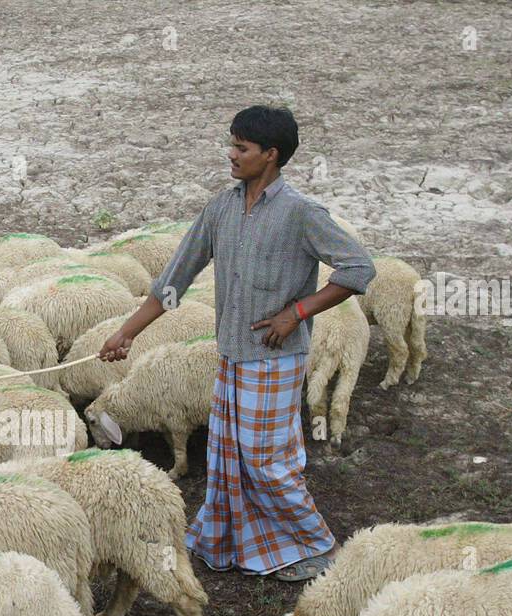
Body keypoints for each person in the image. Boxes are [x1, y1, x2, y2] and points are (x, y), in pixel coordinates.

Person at [98, 105, 374, 582]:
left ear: (270, 155)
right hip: (231, 355)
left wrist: (297, 312)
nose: (231, 155)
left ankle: (318, 547)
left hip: (275, 358)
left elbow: (359, 269)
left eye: (241, 148)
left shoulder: (301, 213)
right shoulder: (221, 208)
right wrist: (127, 332)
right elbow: (175, 277)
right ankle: (232, 543)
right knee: (229, 457)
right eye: (231, 144)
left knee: (268, 461)